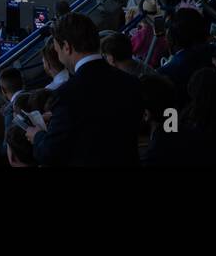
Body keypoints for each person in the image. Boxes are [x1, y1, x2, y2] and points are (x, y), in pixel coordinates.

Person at [27, 12, 142, 166]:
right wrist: (59, 117)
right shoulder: (131, 82)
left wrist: (38, 136)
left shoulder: (66, 95)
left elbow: (49, 153)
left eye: (57, 50)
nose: (59, 57)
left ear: (67, 47)